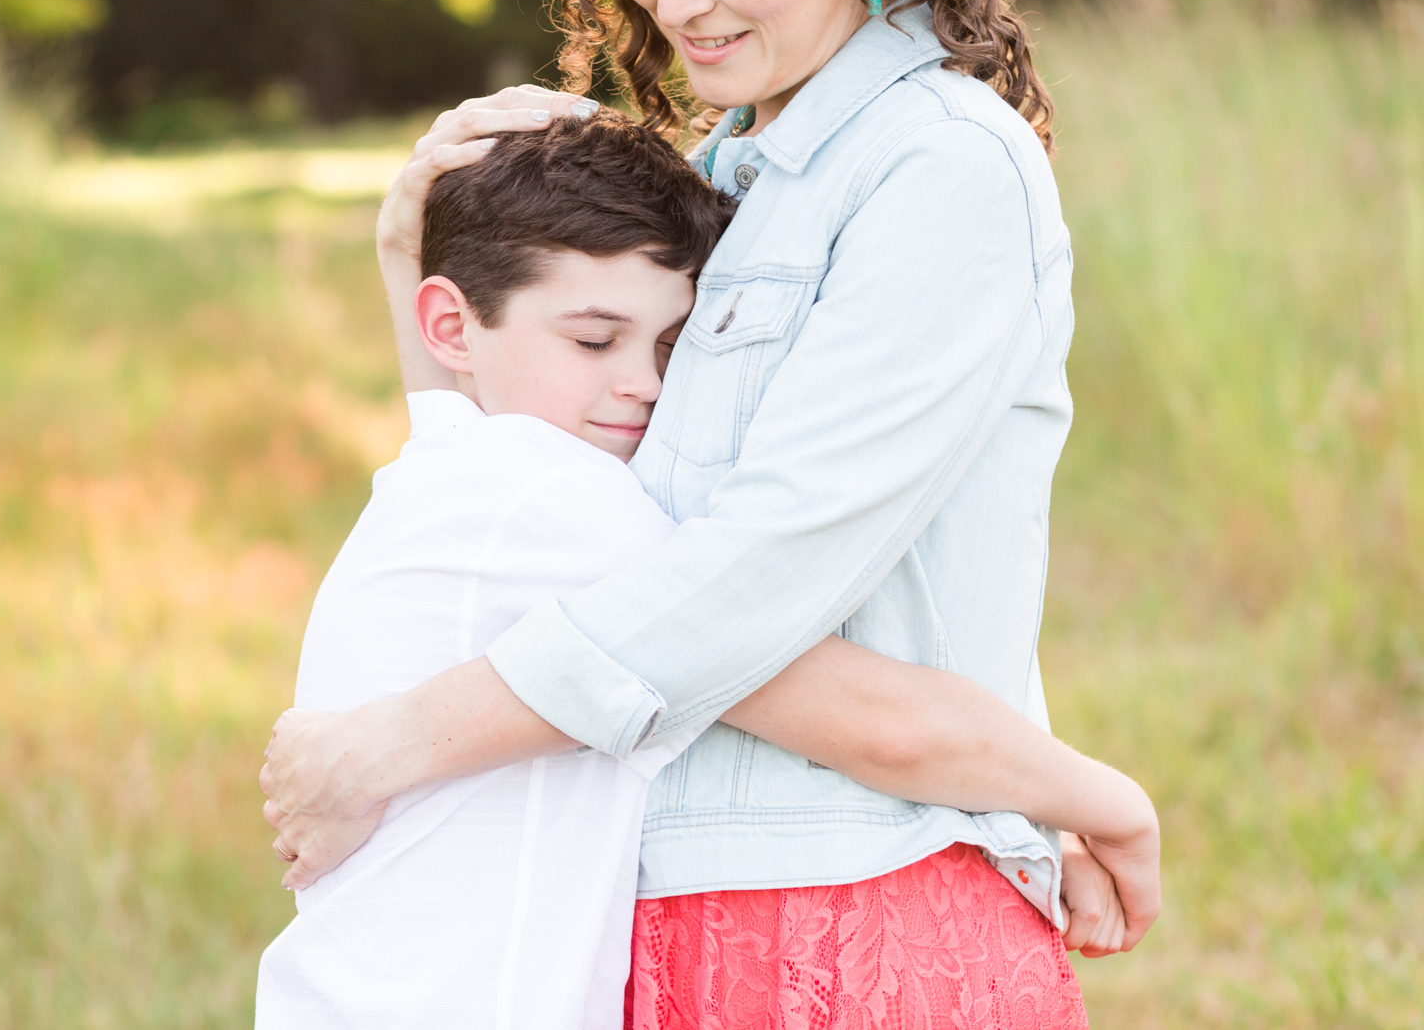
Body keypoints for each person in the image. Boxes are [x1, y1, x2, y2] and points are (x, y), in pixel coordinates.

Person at [260, 0, 1161, 1025]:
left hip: (857, 905)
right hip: (658, 901)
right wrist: (414, 270)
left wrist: (398, 742)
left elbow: (744, 585)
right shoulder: (724, 176)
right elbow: (550, 501)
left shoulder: (937, 169)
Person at [254, 114, 1156, 1029]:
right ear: (449, 320)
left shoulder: (455, 474)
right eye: (595, 340)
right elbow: (873, 720)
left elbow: (458, 367)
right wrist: (1103, 800)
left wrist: (404, 244)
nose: (644, 382)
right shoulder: (549, 499)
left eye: (670, 346)